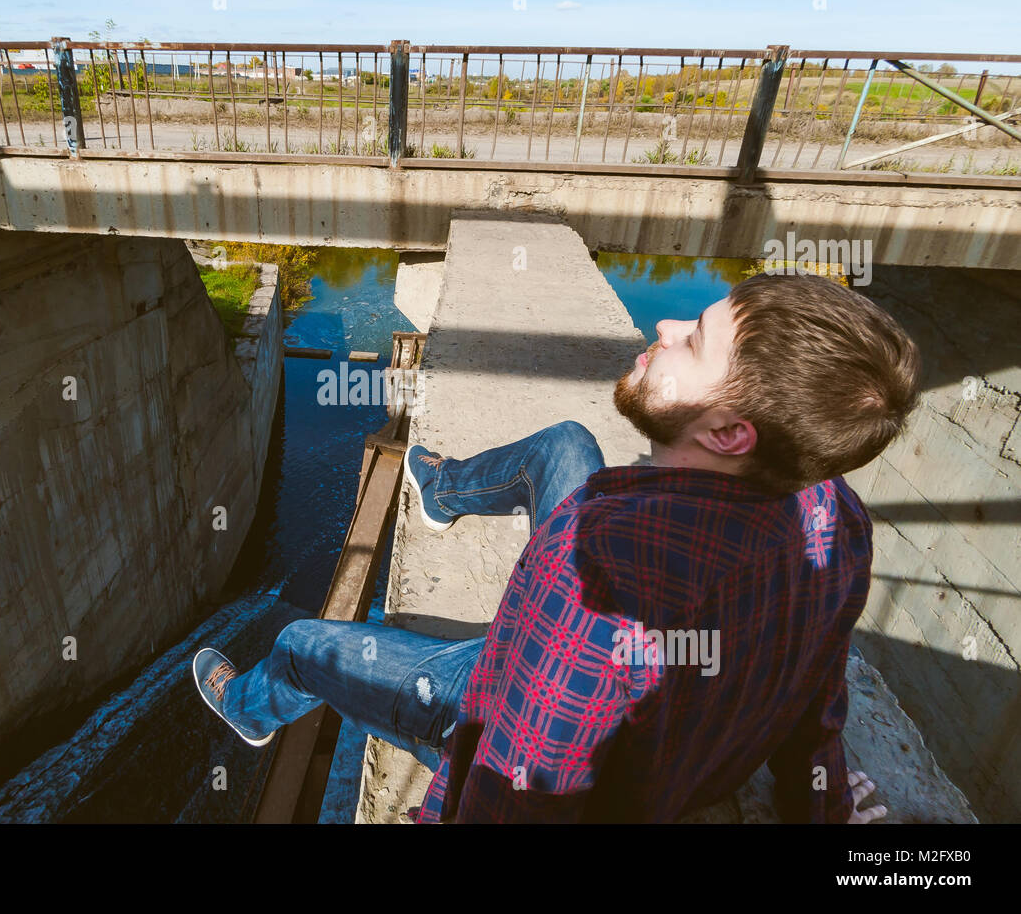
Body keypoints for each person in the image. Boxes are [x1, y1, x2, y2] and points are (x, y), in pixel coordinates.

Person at [192, 272, 919, 823]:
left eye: (693, 340)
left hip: (490, 694)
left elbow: (513, 782)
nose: (664, 326)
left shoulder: (593, 572)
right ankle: (442, 490)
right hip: (645, 732)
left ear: (728, 433)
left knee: (295, 643)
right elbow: (814, 695)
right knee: (565, 443)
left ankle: (251, 709)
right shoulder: (837, 517)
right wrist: (819, 799)